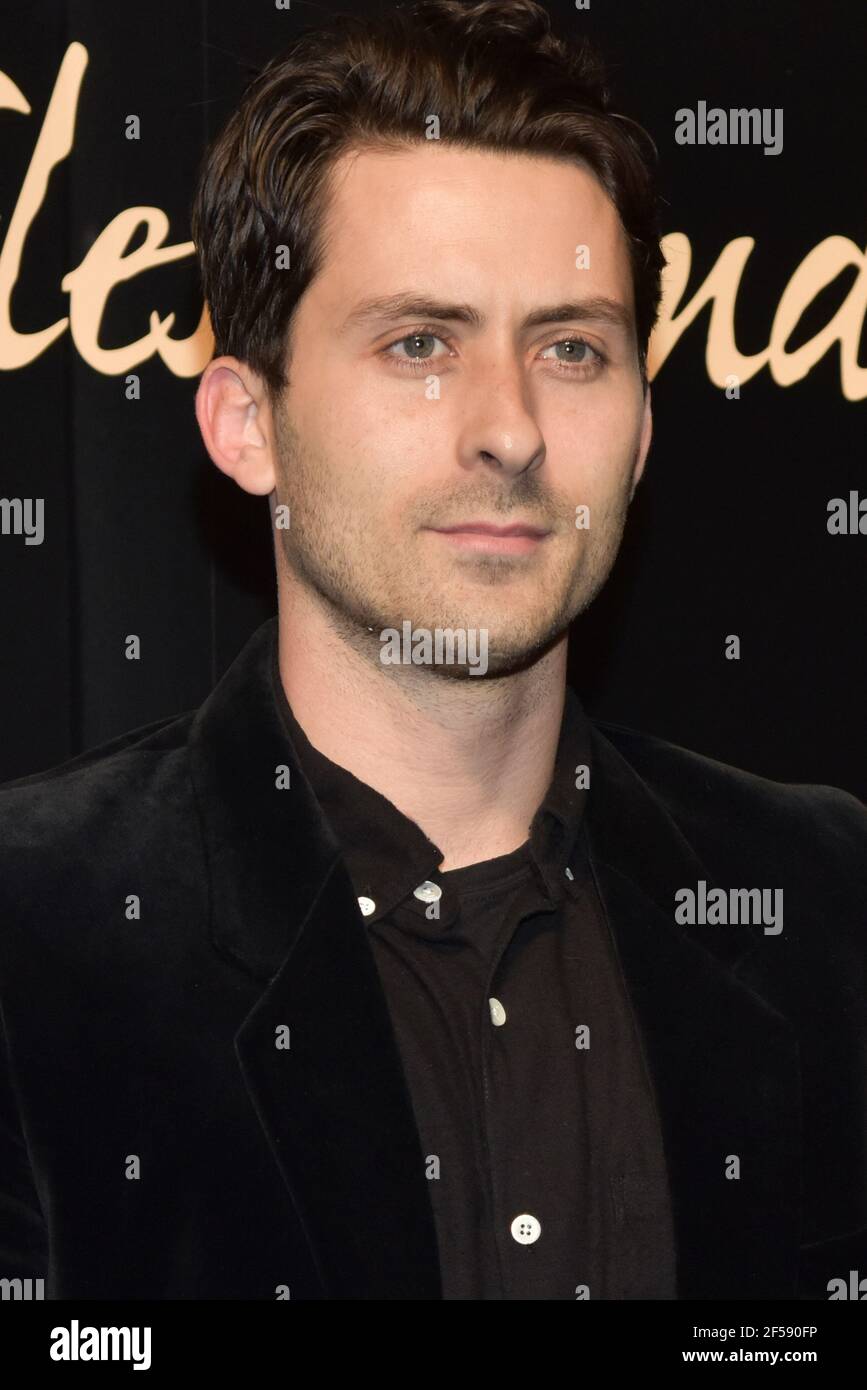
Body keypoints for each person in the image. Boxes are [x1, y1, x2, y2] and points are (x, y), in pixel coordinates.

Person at [1, 0, 865, 1302]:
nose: (510, 430)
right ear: (248, 423)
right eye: (420, 344)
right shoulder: (35, 938)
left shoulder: (828, 901)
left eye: (572, 347)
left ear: (637, 433)